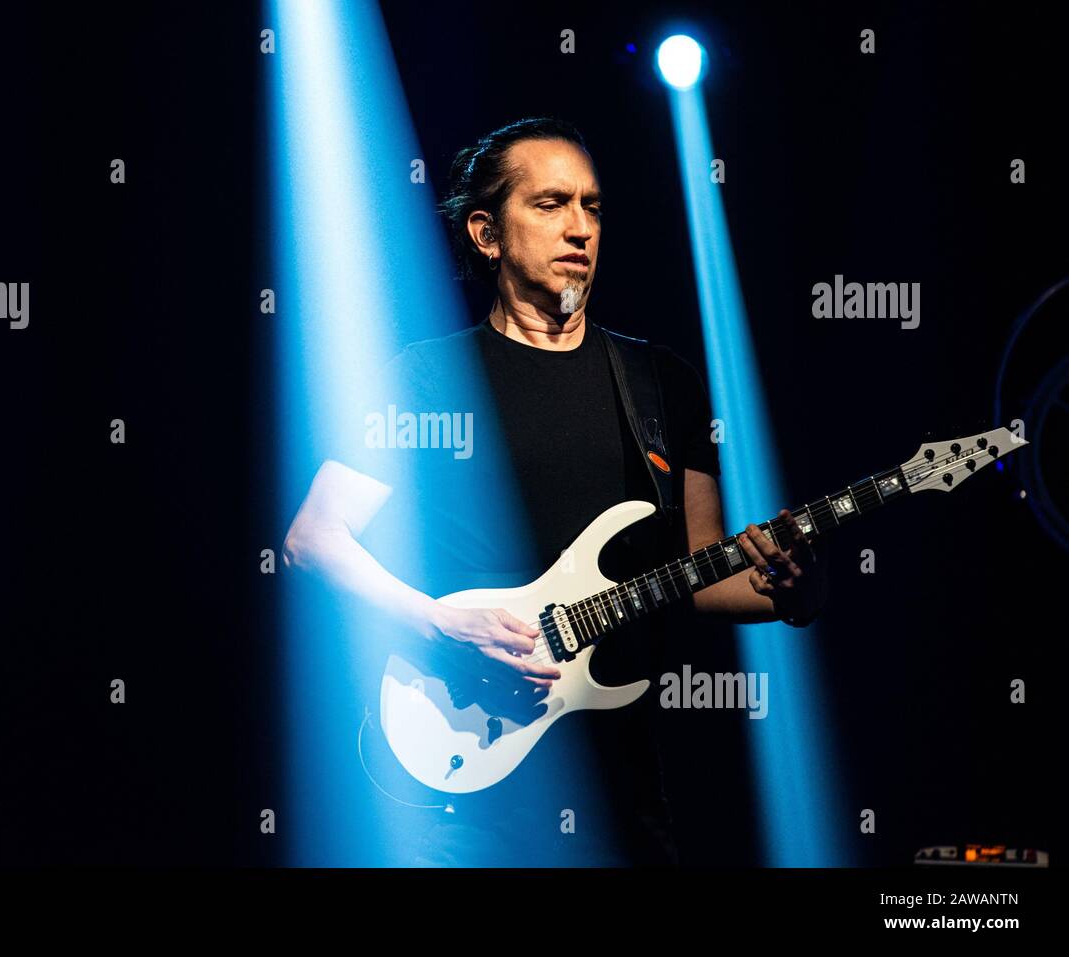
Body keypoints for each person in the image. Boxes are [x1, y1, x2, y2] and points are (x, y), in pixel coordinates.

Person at [281, 117, 828, 866]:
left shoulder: (659, 383)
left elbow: (703, 570)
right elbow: (313, 539)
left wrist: (791, 592)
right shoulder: (426, 375)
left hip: (615, 774)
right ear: (486, 233)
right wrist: (437, 622)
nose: (580, 228)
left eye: (593, 206)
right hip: (461, 761)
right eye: (551, 204)